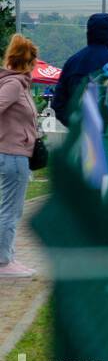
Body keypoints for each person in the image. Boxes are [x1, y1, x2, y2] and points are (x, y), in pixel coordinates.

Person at [0, 35, 40, 278]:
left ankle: (8, 257)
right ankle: (4, 262)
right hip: (13, 154)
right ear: (28, 60)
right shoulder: (14, 85)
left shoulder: (18, 83)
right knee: (10, 209)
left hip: (16, 153)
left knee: (11, 208)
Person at [51, 12, 108, 126]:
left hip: (78, 137)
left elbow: (58, 105)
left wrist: (74, 125)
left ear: (89, 32)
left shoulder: (72, 63)